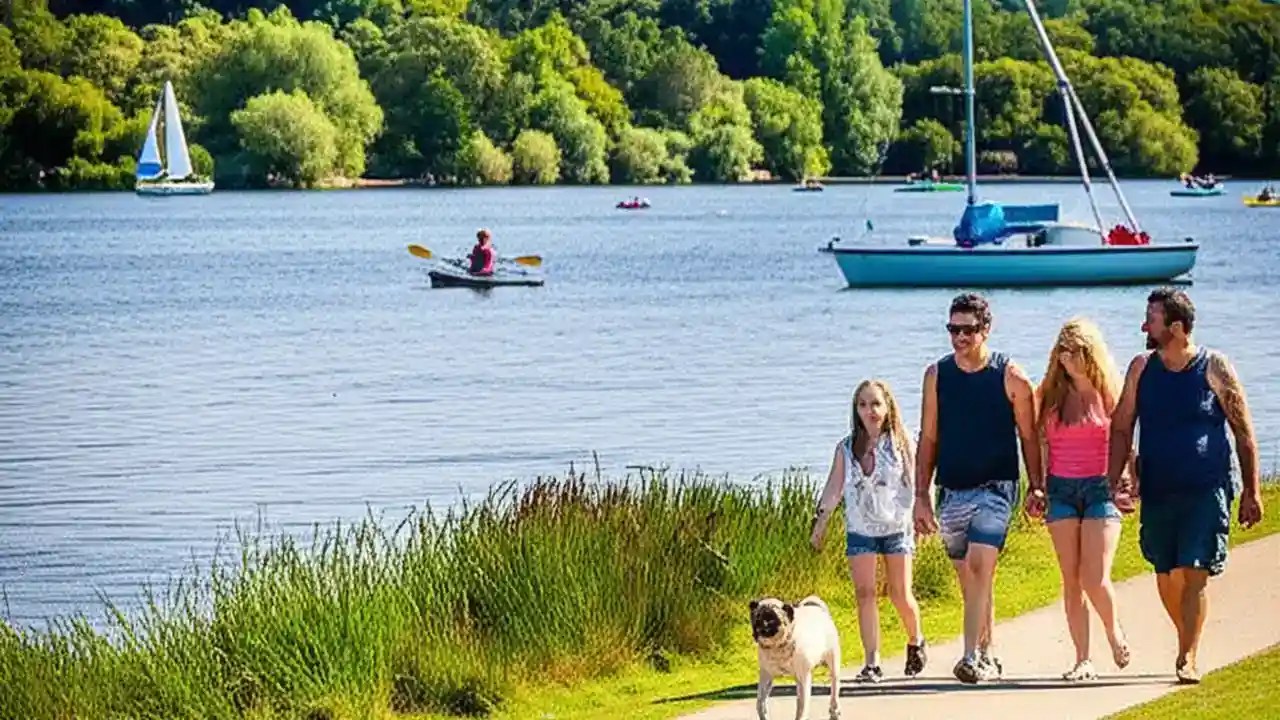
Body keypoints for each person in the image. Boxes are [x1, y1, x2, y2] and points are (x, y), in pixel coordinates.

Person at [1107, 288, 1263, 684]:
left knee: (1194, 570)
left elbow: (1243, 432)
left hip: (1205, 488)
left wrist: (1251, 490)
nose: (1145, 325)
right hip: (1158, 488)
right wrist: (1116, 480)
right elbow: (1122, 426)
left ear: (1176, 327)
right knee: (1165, 573)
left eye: (1152, 319)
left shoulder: (1215, 367)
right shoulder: (1141, 368)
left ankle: (1187, 656)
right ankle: (1187, 637)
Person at [913, 292, 1041, 684]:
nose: (959, 337)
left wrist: (1037, 486)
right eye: (953, 329)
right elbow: (929, 437)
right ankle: (989, 652)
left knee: (981, 567)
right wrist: (920, 496)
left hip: (996, 487)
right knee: (969, 577)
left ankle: (973, 655)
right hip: (951, 489)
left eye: (968, 329)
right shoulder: (937, 376)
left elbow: (1030, 437)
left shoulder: (1011, 376)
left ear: (986, 330)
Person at [1026, 318, 1131, 682]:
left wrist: (1130, 478)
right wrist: (1035, 486)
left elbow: (1124, 437)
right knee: (1071, 579)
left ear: (1090, 354)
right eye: (1061, 351)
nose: (1066, 359)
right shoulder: (1049, 394)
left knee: (1094, 576)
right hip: (1060, 490)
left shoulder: (1110, 391)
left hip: (1102, 488)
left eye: (1074, 352)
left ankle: (1113, 630)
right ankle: (1083, 659)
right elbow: (1038, 443)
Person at [810, 380, 928, 683]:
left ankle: (916, 640)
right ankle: (872, 662)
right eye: (863, 404)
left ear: (887, 407)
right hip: (860, 529)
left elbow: (918, 484)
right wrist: (820, 524)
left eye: (875, 404)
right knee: (865, 594)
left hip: (896, 528)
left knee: (900, 594)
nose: (869, 411)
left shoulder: (903, 443)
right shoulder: (846, 448)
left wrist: (923, 514)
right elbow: (833, 489)